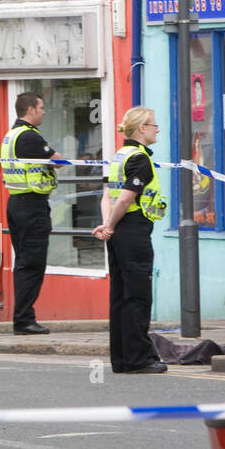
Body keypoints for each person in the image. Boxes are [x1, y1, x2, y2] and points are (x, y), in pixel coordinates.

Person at [93, 107, 169, 374]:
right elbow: (125, 198)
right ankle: (139, 359)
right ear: (141, 129)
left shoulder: (118, 156)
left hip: (118, 232)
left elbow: (107, 196)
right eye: (153, 125)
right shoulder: (139, 159)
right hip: (133, 231)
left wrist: (106, 226)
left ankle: (122, 359)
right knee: (137, 296)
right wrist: (111, 225)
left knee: (120, 296)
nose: (157, 129)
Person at [1, 91, 60, 335]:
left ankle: (23, 317)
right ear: (31, 110)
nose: (44, 112)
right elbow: (59, 160)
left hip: (17, 202)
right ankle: (24, 319)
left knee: (24, 263)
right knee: (32, 264)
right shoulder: (28, 137)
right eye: (41, 107)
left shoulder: (11, 135)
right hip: (31, 206)